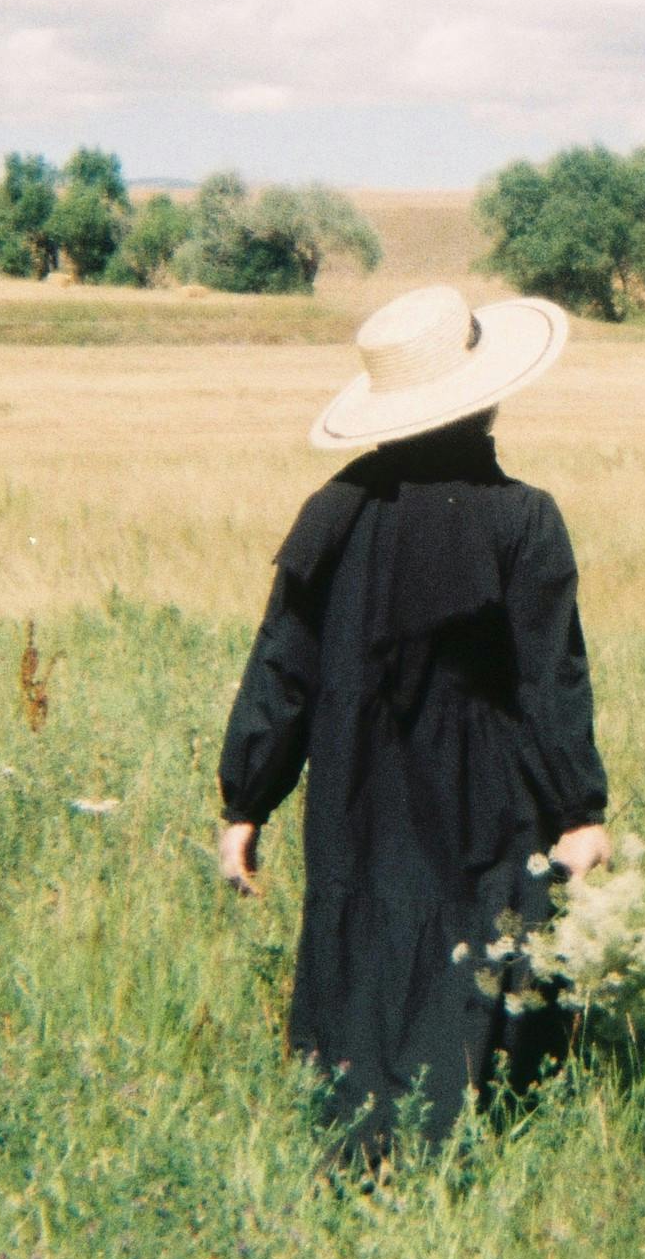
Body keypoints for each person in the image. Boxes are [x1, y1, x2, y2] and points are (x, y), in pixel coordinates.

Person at [216, 283, 611, 1164]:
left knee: (359, 947)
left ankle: (353, 1155)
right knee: (472, 951)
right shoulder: (522, 517)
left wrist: (247, 801)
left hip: (353, 787)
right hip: (482, 793)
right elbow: (551, 681)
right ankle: (446, 1153)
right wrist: (579, 810)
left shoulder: (329, 512)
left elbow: (282, 664)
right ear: (487, 391)